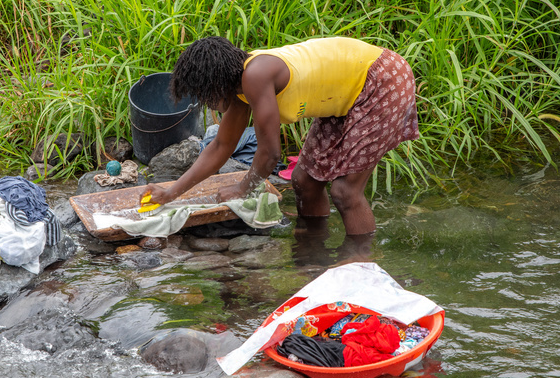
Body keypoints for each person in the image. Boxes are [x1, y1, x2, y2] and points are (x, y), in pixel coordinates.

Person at [140, 36, 418, 236]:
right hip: (345, 95)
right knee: (304, 181)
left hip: (382, 79)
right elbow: (221, 146)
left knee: (345, 192)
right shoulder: (238, 85)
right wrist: (170, 192)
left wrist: (243, 188)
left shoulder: (256, 75)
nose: (208, 105)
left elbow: (270, 154)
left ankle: (361, 269)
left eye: (205, 96)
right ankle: (313, 253)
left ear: (216, 84)